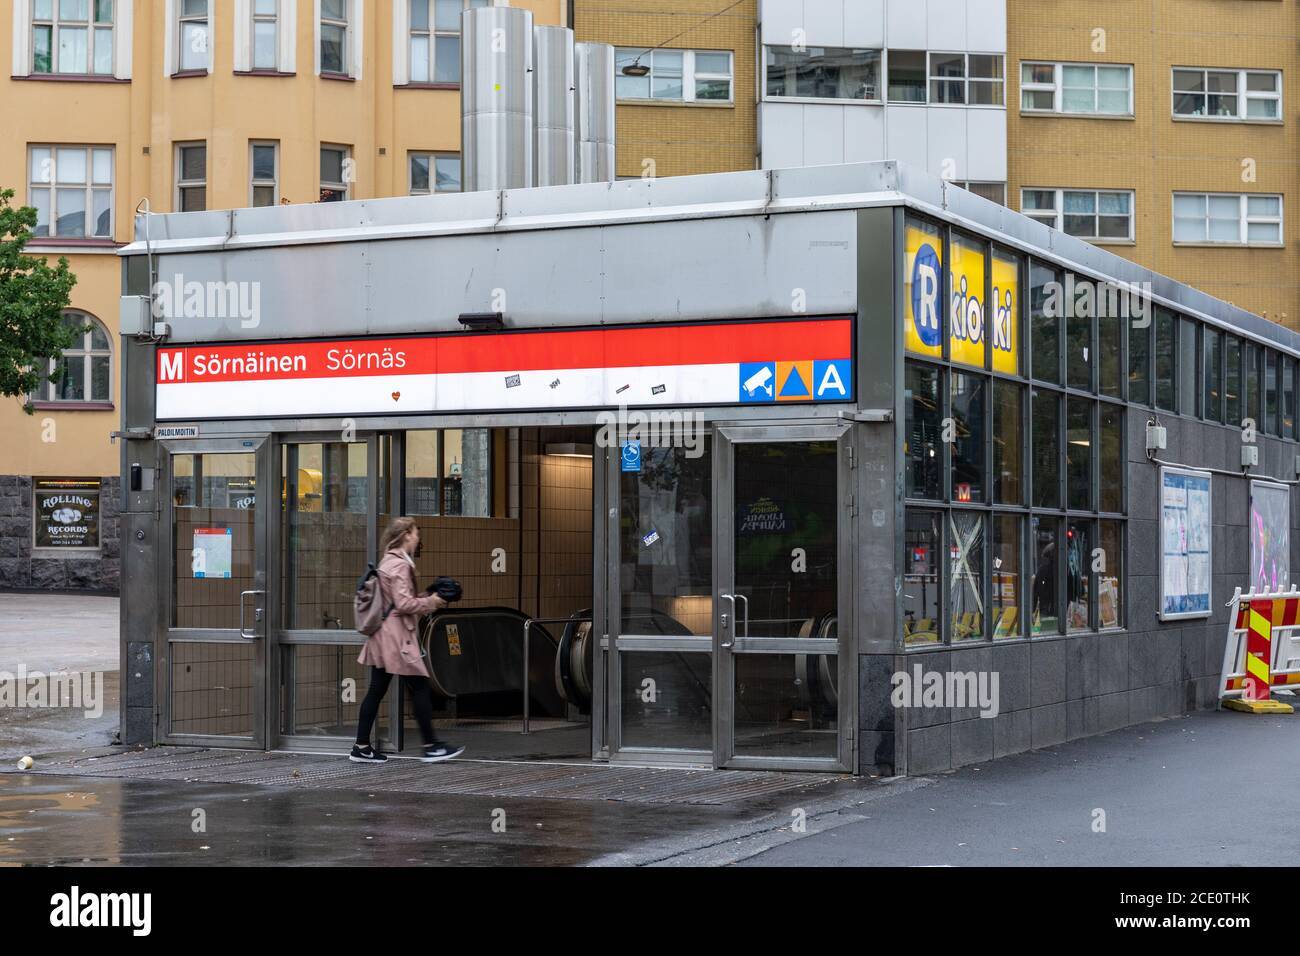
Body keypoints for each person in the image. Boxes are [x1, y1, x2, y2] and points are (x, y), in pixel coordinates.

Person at [351, 516, 465, 764]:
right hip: (397, 638)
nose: (417, 537)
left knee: (376, 689)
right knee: (421, 688)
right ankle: (432, 746)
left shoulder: (387, 560)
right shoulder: (401, 565)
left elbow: (397, 600)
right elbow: (403, 604)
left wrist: (426, 594)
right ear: (405, 535)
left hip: (383, 636)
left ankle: (361, 746)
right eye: (415, 533)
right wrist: (431, 601)